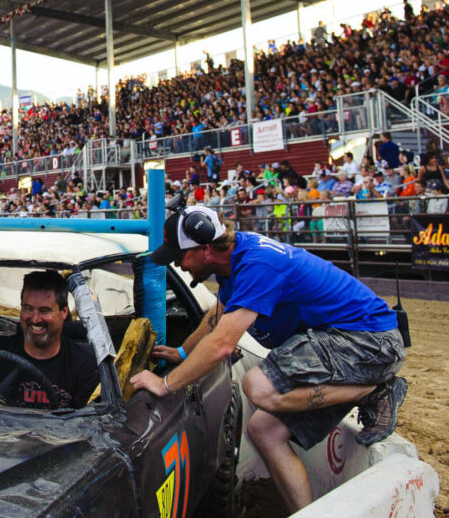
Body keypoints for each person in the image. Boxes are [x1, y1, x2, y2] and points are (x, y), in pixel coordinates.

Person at [130, 205, 406, 514]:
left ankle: (373, 391)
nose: (178, 264)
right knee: (264, 430)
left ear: (206, 249)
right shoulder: (233, 260)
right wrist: (183, 353)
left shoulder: (257, 265)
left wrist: (165, 384)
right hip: (348, 341)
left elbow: (222, 344)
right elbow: (216, 318)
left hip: (369, 340)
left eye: (179, 255)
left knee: (258, 386)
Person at [0, 270, 99, 409]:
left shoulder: (85, 365)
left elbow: (89, 423)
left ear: (64, 312)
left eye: (44, 310)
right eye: (28, 309)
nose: (35, 319)